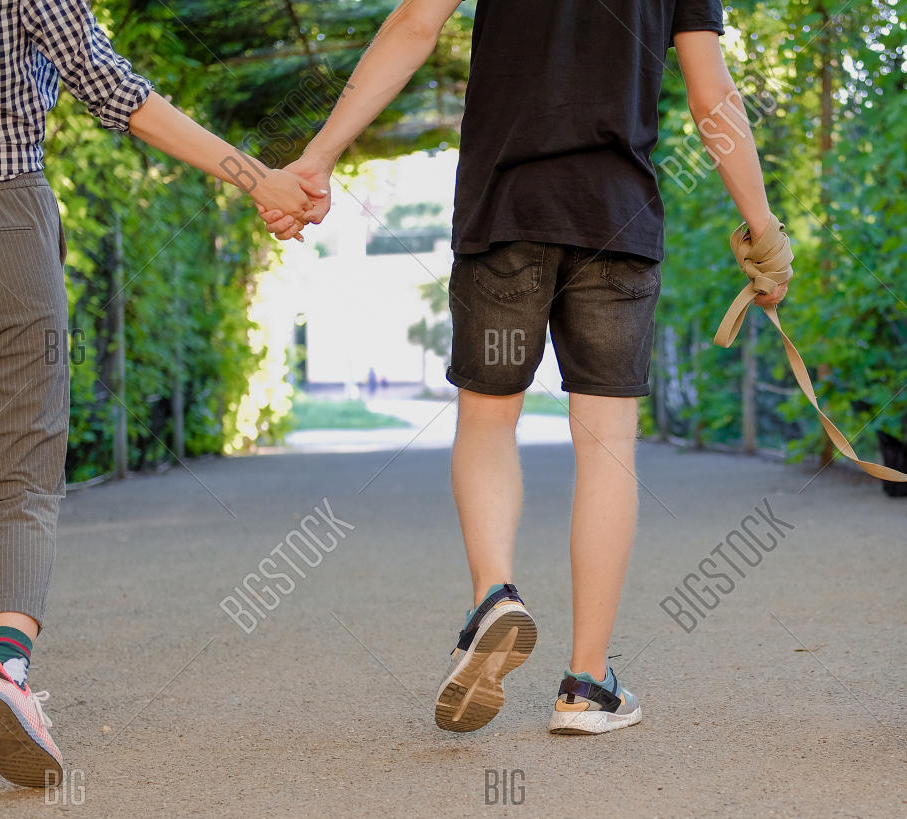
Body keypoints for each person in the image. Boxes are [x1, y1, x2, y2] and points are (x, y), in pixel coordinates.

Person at [262, 0, 788, 734]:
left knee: (488, 417)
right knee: (606, 445)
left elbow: (416, 23)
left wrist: (317, 158)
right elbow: (712, 95)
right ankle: (585, 686)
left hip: (506, 215)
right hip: (615, 220)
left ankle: (495, 599)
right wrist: (762, 228)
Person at [0, 0, 322, 785]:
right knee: (22, 471)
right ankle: (6, 676)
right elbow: (117, 91)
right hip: (3, 223)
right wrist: (260, 176)